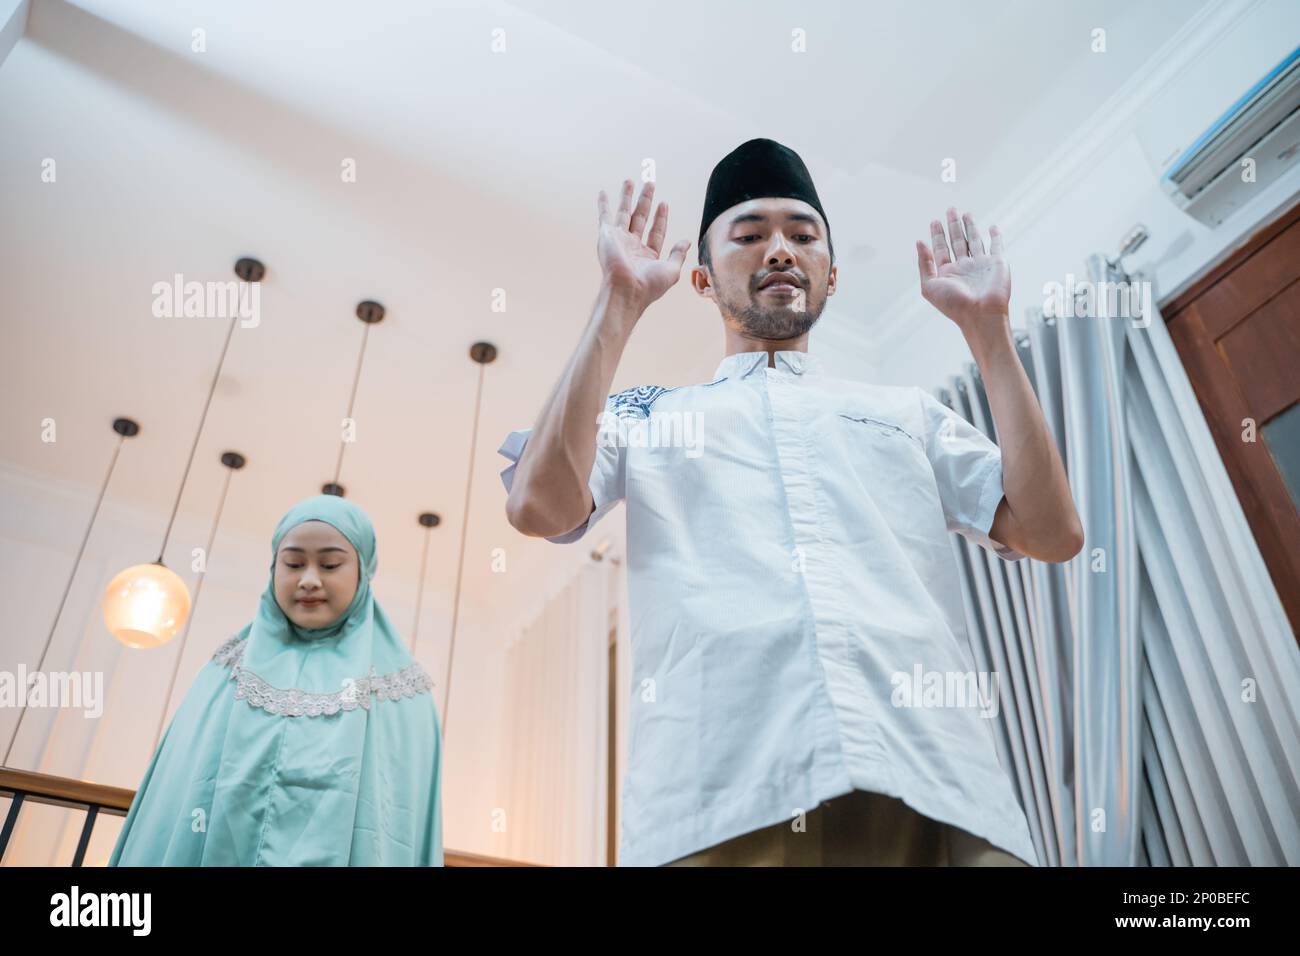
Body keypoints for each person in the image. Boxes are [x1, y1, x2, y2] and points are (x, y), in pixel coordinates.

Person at [499, 137, 1082, 866]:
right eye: (749, 236)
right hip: (721, 791)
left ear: (830, 276)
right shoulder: (645, 414)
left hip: (938, 778)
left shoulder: (907, 412)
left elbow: (1053, 532)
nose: (779, 250)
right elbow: (540, 508)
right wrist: (617, 302)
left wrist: (988, 331)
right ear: (704, 280)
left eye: (802, 236)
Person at [109, 494, 444, 866]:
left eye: (331, 564)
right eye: (293, 563)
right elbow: (180, 794)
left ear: (362, 572)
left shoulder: (402, 694)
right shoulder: (225, 674)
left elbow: (396, 823)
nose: (309, 580)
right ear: (273, 569)